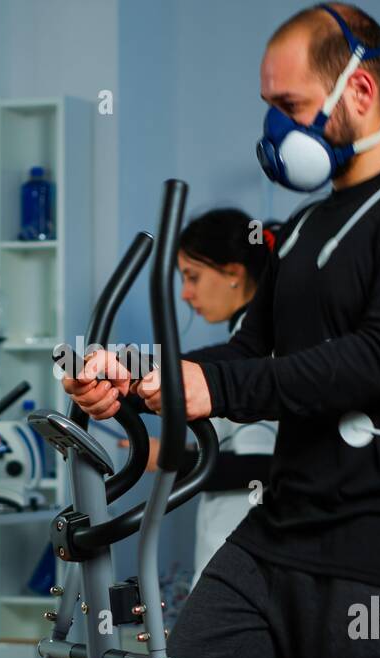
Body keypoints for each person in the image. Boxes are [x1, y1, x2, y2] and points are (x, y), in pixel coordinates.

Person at [65, 3, 380, 658]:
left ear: (359, 92)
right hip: (280, 536)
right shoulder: (300, 231)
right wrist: (138, 381)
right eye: (270, 107)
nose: (277, 130)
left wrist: (213, 385)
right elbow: (244, 353)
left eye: (290, 106)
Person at [119, 208, 279, 585]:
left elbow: (264, 465)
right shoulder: (240, 347)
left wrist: (171, 458)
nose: (185, 294)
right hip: (232, 544)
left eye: (192, 277)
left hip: (250, 548)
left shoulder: (264, 353)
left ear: (233, 273)